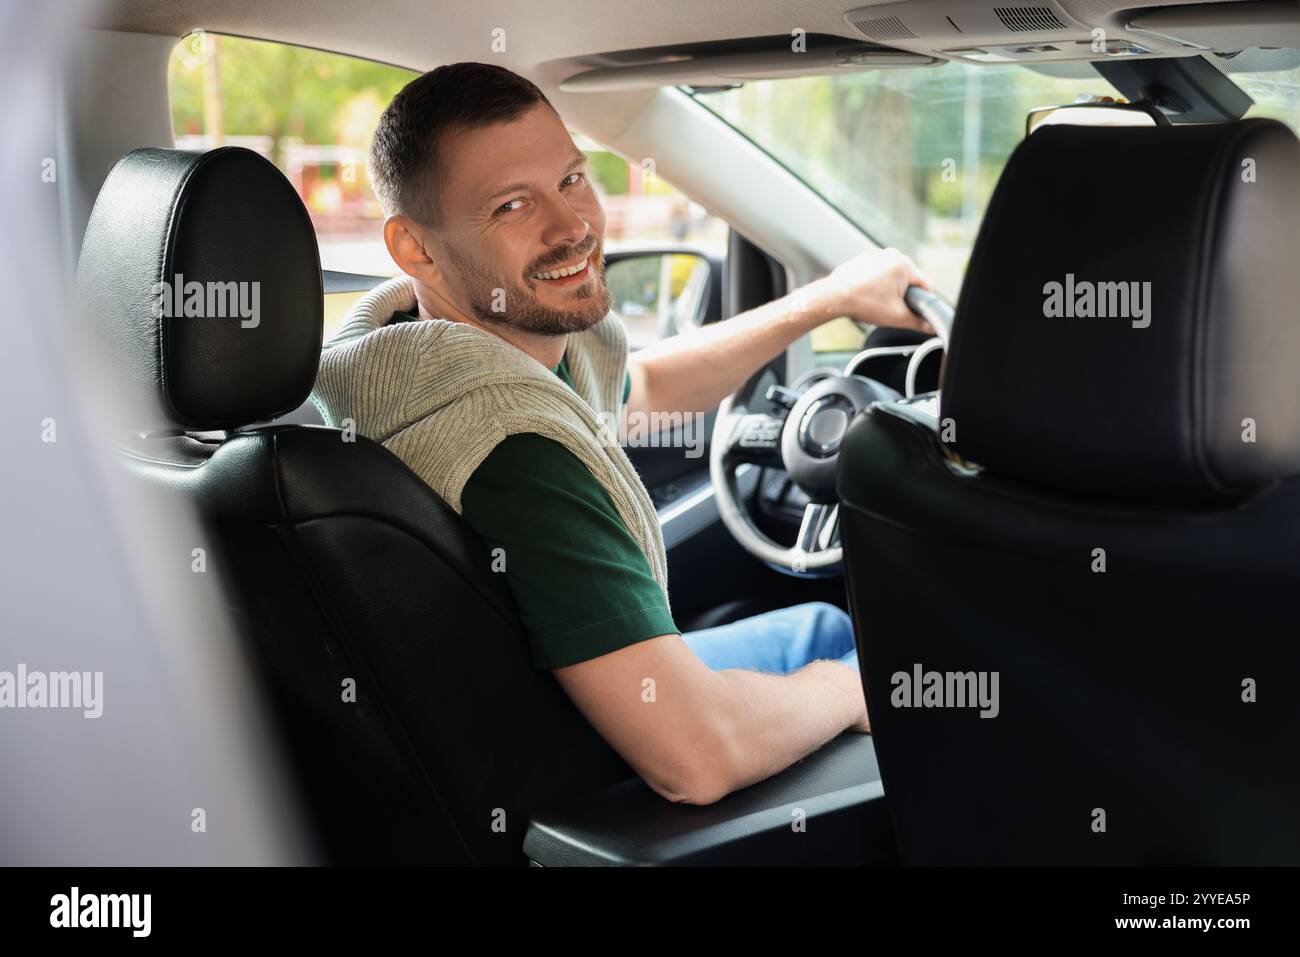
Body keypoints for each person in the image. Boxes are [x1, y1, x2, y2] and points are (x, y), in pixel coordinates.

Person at [311, 62, 934, 806]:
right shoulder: (514, 449)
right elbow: (696, 758)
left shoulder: (415, 347)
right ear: (416, 250)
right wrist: (848, 690)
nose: (571, 226)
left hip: (526, 717)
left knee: (814, 628)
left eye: (572, 179)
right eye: (511, 205)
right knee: (856, 661)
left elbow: (649, 386)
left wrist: (826, 300)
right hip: (592, 767)